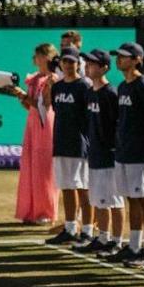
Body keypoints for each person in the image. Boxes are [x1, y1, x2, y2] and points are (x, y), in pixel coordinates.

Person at [106, 42, 144, 264]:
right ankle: (134, 246)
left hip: (140, 153)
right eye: (119, 56)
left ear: (137, 59)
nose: (120, 60)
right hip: (124, 152)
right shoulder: (123, 87)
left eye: (125, 57)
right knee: (132, 199)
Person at [70, 49, 124, 255]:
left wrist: (112, 148)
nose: (87, 66)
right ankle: (103, 237)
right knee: (99, 198)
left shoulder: (111, 93)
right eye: (87, 63)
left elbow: (117, 124)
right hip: (95, 154)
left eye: (92, 63)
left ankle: (117, 241)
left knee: (114, 200)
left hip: (109, 155)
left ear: (104, 68)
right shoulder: (90, 92)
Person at [44, 47, 93, 245]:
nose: (67, 65)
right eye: (64, 61)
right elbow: (53, 108)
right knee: (66, 187)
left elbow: (88, 116)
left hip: (79, 144)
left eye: (71, 62)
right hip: (61, 142)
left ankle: (88, 230)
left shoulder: (84, 86)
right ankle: (70, 228)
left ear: (78, 63)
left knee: (82, 188)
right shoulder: (57, 86)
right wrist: (48, 87)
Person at [12, 43, 58, 224]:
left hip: (45, 123)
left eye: (39, 55)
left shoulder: (51, 79)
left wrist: (23, 96)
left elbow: (44, 106)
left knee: (43, 168)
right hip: (32, 123)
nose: (35, 58)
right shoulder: (35, 78)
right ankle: (30, 210)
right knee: (30, 165)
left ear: (47, 57)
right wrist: (20, 96)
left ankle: (45, 211)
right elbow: (29, 106)